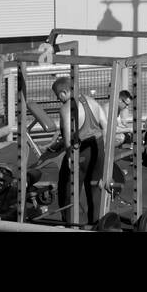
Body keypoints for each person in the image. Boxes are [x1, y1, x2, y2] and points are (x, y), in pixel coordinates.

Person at [48, 76, 107, 225]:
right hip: (98, 148)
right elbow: (105, 125)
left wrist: (69, 155)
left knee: (68, 189)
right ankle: (96, 224)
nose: (59, 99)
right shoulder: (92, 101)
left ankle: (70, 225)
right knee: (94, 187)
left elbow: (68, 138)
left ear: (64, 92)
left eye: (58, 96)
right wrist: (104, 149)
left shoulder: (67, 108)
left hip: (80, 152)